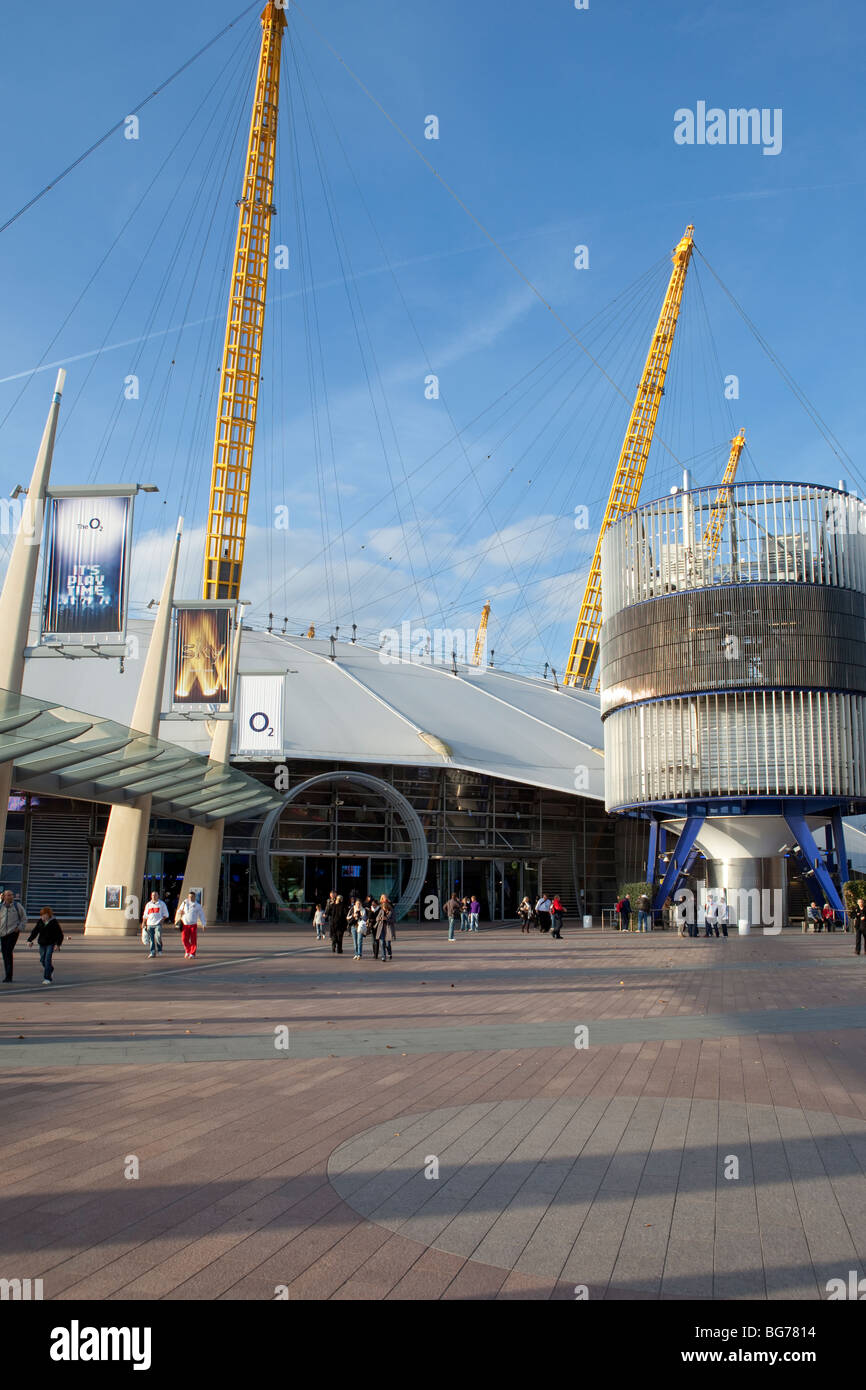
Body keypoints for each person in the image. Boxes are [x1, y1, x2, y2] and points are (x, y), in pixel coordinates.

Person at [27, 906, 64, 984]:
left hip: (50, 943)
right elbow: (35, 931)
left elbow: (60, 934)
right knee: (42, 960)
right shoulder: (40, 921)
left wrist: (58, 945)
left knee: (47, 959)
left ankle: (47, 978)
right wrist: (29, 940)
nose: (43, 916)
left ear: (49, 915)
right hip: (42, 943)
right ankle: (50, 969)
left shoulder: (53, 922)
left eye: (45, 914)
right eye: (42, 915)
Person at [0, 889, 27, 982]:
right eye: (8, 895)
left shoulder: (17, 906)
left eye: (11, 895)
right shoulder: (1, 907)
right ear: (4, 896)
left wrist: (19, 927)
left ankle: (8, 976)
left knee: (8, 952)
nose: (10, 896)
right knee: (4, 953)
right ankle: (8, 974)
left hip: (13, 932)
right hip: (2, 933)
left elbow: (24, 918)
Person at [175, 891, 206, 958]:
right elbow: (179, 910)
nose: (190, 898)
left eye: (192, 897)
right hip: (185, 924)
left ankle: (192, 953)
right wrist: (180, 911)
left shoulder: (197, 905)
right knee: (184, 939)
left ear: (194, 897)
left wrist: (203, 923)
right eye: (189, 897)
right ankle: (188, 950)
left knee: (193, 940)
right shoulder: (185, 902)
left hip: (193, 925)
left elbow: (201, 915)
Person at [141, 891, 168, 958]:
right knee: (151, 939)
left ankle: (159, 948)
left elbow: (166, 914)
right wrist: (143, 922)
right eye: (153, 895)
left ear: (158, 896)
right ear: (151, 896)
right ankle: (152, 952)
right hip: (150, 924)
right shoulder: (148, 904)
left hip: (158, 923)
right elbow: (145, 915)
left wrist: (162, 920)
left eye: (155, 895)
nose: (154, 896)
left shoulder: (161, 904)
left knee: (158, 937)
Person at [375, 895, 395, 961]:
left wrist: (386, 919)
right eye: (382, 908)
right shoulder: (381, 911)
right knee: (382, 943)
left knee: (388, 944)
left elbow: (394, 920)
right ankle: (383, 956)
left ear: (387, 907)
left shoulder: (391, 911)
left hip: (388, 929)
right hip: (381, 929)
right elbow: (377, 918)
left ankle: (389, 953)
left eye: (384, 908)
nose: (383, 909)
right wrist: (380, 918)